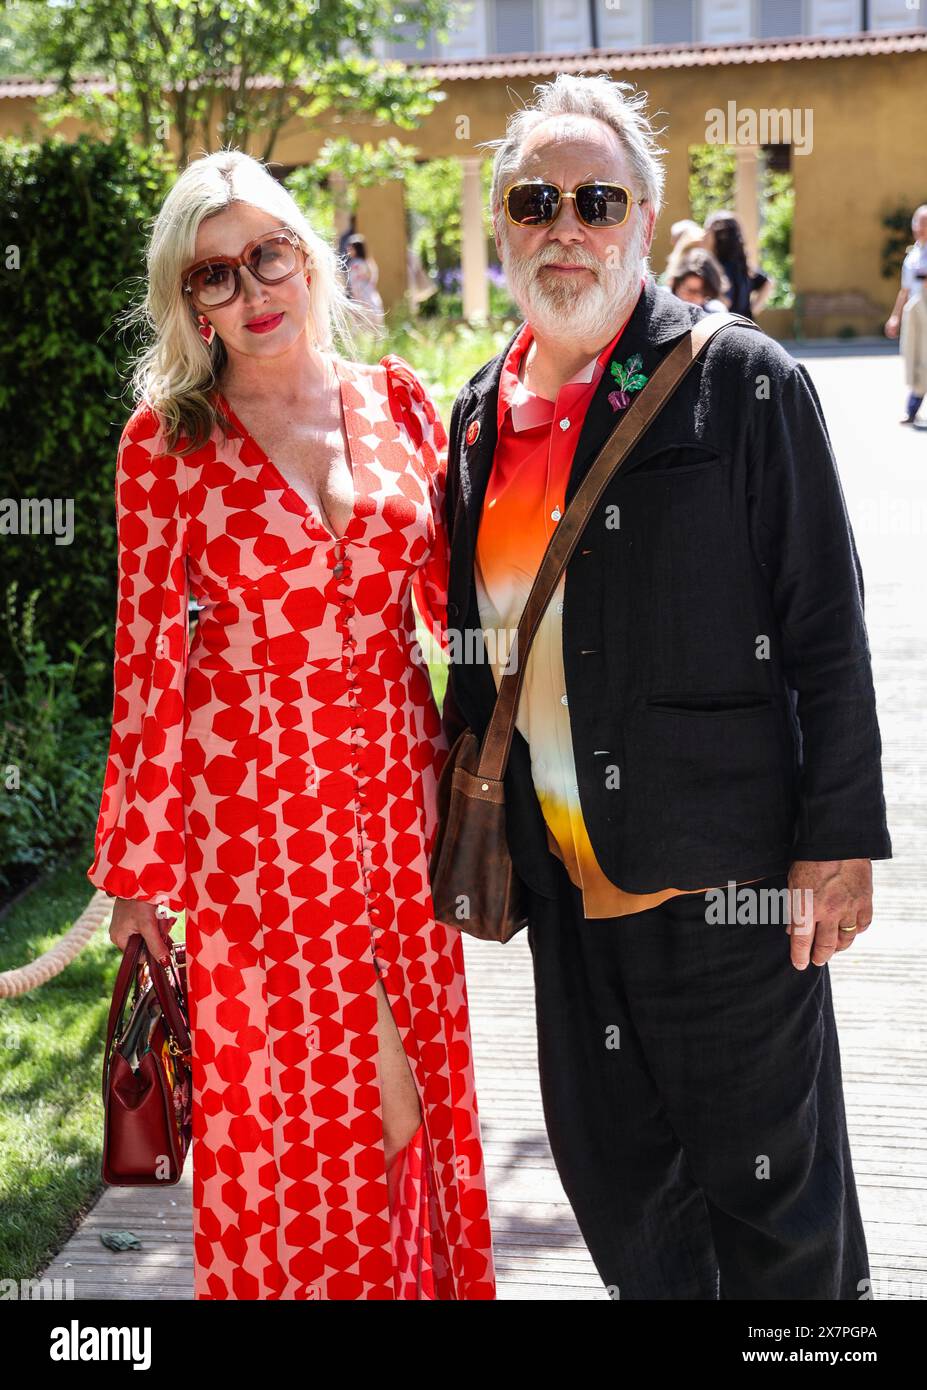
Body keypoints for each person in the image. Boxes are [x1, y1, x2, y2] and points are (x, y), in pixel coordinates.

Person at [441, 73, 891, 1299]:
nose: (566, 227)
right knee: (626, 1203)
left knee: (781, 1223)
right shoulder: (478, 416)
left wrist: (838, 840)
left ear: (645, 215)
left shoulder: (738, 379)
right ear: (503, 224)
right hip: (569, 899)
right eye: (537, 201)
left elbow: (823, 625)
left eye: (597, 199)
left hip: (726, 893)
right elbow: (471, 646)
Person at [87, 150, 495, 1301]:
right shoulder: (166, 447)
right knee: (298, 1123)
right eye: (213, 274)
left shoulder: (402, 401)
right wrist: (134, 878)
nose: (251, 288)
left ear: (308, 255)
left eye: (269, 252)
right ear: (187, 301)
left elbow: (458, 617)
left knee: (416, 1089)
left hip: (400, 810)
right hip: (254, 835)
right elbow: (146, 668)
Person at [884, 204, 927, 425]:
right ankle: (912, 407)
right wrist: (895, 317)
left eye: (923, 223)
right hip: (915, 310)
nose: (919, 228)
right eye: (917, 223)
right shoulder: (913, 254)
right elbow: (905, 290)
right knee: (913, 355)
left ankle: (912, 407)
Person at [703, 209, 773, 317]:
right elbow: (767, 282)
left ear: (719, 235)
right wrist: (751, 312)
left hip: (726, 328)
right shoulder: (741, 265)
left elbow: (725, 301)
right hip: (743, 327)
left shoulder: (718, 267)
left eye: (707, 230)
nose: (704, 235)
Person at [345, 233, 385, 329]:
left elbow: (354, 283)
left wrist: (354, 296)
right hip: (370, 295)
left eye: (351, 249)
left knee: (361, 326)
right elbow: (373, 279)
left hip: (360, 296)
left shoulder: (355, 264)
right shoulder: (369, 262)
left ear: (357, 249)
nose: (348, 251)